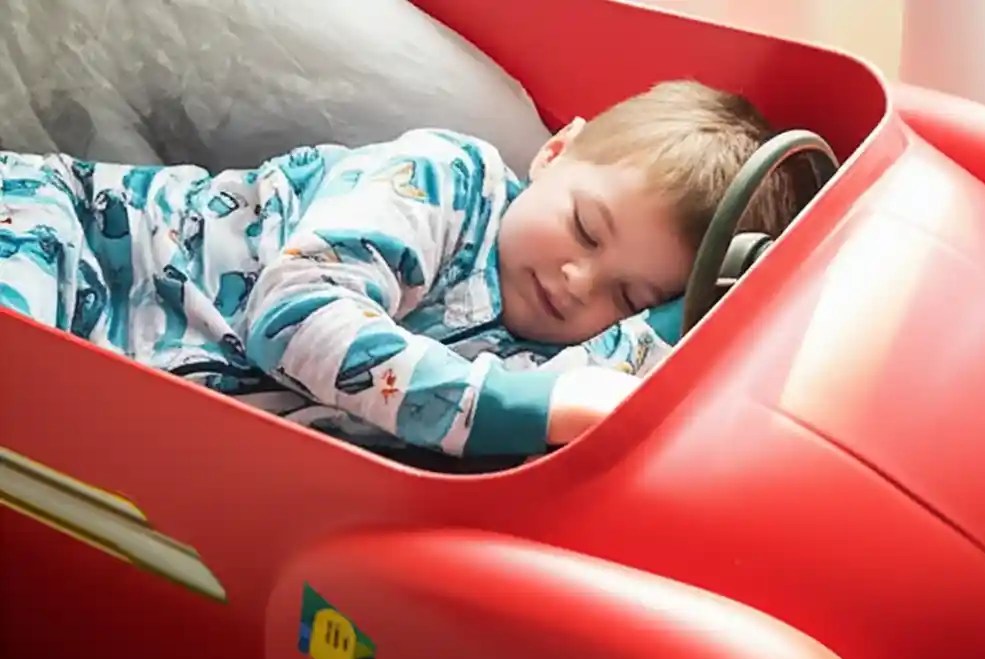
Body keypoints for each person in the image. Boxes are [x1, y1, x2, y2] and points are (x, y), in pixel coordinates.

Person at [0, 80, 809, 458]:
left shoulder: (559, 351)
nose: (574, 284)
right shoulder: (444, 181)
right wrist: (513, 403)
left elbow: (624, 386)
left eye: (627, 294)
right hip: (71, 236)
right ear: (555, 153)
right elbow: (295, 316)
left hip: (132, 385)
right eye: (584, 231)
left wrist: (676, 313)